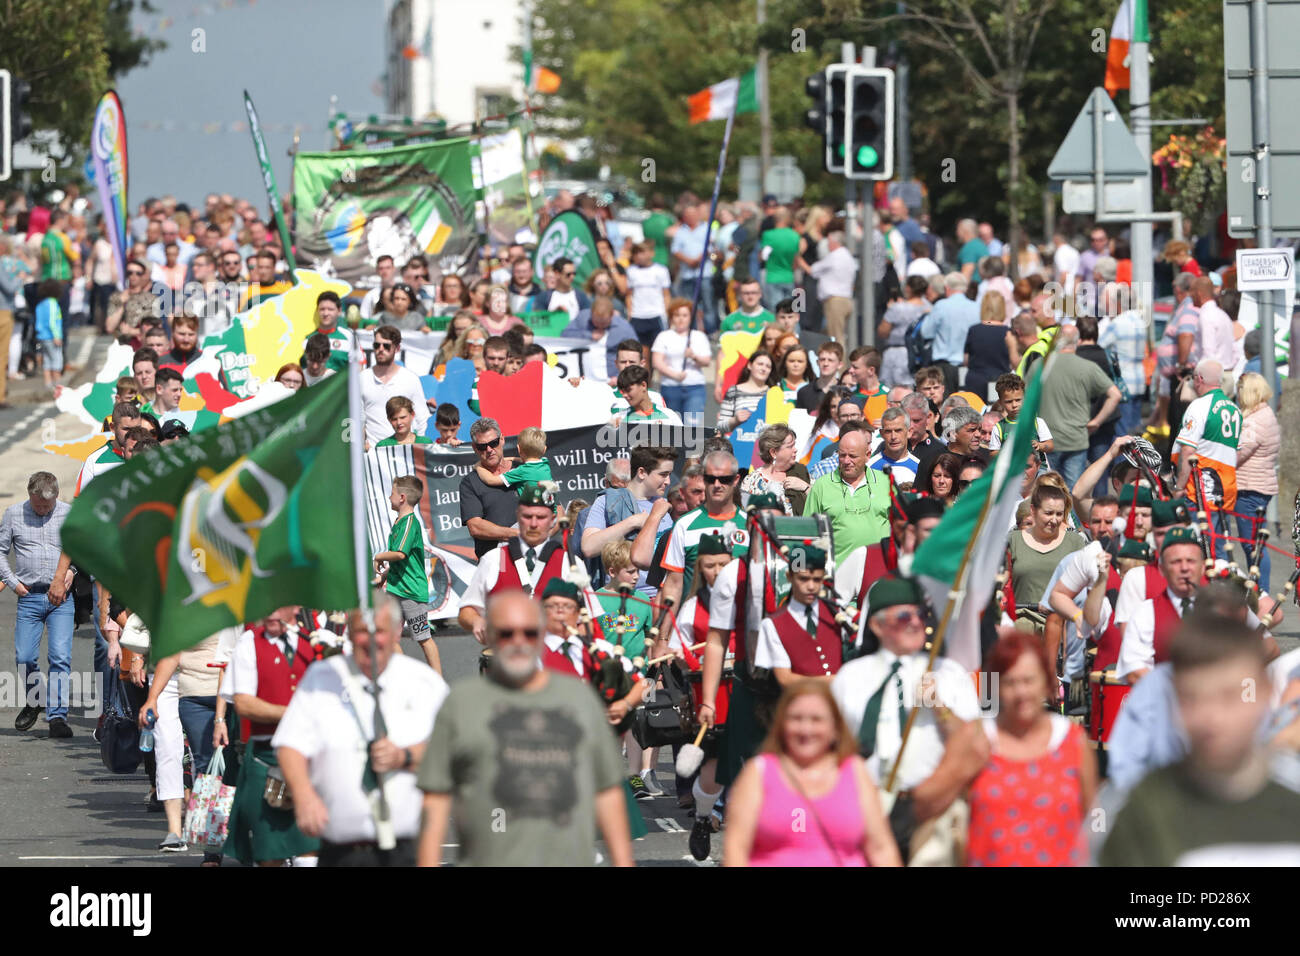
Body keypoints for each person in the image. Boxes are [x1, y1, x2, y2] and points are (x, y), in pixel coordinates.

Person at [417, 589, 634, 867]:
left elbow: (608, 792)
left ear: (541, 635)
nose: (519, 642)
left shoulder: (580, 700)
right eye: (507, 633)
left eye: (529, 633)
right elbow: (435, 798)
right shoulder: (461, 704)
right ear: (490, 637)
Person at [1100, 615, 1300, 865]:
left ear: (1266, 692)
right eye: (1192, 699)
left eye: (1229, 696)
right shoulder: (1141, 811)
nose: (1212, 719)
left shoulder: (1293, 795)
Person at [275, 594, 450, 866]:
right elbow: (290, 743)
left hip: (406, 849)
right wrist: (303, 794)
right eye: (361, 631)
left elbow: (450, 752)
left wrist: (404, 756)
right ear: (349, 632)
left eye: (378, 631)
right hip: (341, 851)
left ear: (394, 631)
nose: (370, 640)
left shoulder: (424, 683)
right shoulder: (322, 677)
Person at [831, 576, 987, 856]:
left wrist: (940, 707)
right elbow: (833, 750)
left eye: (921, 614)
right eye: (904, 616)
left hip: (931, 811)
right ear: (877, 625)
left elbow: (976, 745)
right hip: (865, 811)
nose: (916, 623)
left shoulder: (949, 673)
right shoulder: (850, 678)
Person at [723, 679, 902, 867]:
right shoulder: (758, 772)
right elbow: (736, 848)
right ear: (781, 725)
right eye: (796, 718)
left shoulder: (855, 771)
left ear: (835, 728)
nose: (806, 730)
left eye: (817, 719)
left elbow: (880, 848)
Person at [967, 630, 1097, 866]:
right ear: (995, 686)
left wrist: (1103, 849)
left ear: (1045, 682)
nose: (1021, 693)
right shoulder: (978, 739)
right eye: (1010, 682)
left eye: (1029, 680)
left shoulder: (1073, 741)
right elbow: (930, 801)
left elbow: (1096, 813)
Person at [219, 606, 322, 866]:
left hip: (312, 758)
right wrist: (292, 712)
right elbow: (244, 703)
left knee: (311, 845)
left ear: (296, 607)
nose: (270, 611)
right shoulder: (249, 642)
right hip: (266, 760)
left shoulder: (317, 642)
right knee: (270, 850)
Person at [2, 472, 76, 738]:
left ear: (56, 496)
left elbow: (81, 548)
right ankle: (35, 699)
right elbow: (1, 551)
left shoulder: (68, 514)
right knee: (24, 657)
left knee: (59, 657)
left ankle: (57, 717)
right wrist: (12, 582)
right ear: (29, 495)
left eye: (47, 506)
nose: (42, 510)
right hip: (29, 596)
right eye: (37, 505)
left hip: (61, 598)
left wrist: (72, 572)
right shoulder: (13, 514)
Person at [458, 484, 573, 641]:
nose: (533, 524)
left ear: (553, 520)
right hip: (508, 658)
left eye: (541, 517)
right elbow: (467, 611)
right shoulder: (494, 559)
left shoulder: (569, 563)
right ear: (518, 516)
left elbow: (589, 618)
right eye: (527, 516)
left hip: (554, 658)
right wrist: (477, 621)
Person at [372, 474, 441, 672]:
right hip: (395, 590)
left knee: (423, 638)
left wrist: (378, 556)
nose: (389, 497)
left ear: (402, 497)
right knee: (389, 636)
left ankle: (437, 681)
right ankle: (403, 676)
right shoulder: (398, 522)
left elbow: (400, 554)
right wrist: (383, 578)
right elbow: (400, 561)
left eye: (392, 493)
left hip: (411, 592)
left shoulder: (410, 523)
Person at [1038, 325, 1121, 489]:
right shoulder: (1088, 367)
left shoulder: (1040, 366)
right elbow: (1115, 395)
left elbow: (1025, 399)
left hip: (1046, 439)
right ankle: (1071, 516)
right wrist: (1097, 421)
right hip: (1076, 439)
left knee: (1047, 491)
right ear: (1078, 342)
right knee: (1073, 492)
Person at [1172, 358, 1240, 551]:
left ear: (1199, 379)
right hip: (1225, 490)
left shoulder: (1199, 406)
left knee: (1200, 548)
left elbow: (1187, 450)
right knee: (1220, 548)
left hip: (1200, 490)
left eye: (1193, 378)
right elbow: (1239, 452)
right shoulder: (1234, 409)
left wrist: (1179, 486)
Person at [802, 428, 892, 564]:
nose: (846, 461)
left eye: (852, 456)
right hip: (837, 573)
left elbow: (902, 528)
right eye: (842, 455)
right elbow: (807, 532)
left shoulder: (886, 482)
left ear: (868, 455)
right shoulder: (821, 486)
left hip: (879, 571)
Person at [1007, 483, 1086, 637]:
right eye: (1049, 513)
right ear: (1033, 511)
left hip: (1062, 627)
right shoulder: (1013, 540)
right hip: (1021, 628)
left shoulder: (1075, 542)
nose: (1054, 520)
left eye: (1059, 514)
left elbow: (1083, 588)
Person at [1233, 371, 1278, 589]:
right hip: (1259, 486)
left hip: (1250, 489)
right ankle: (1261, 590)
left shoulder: (1255, 422)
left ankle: (1262, 592)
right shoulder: (1265, 413)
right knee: (1256, 544)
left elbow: (1237, 454)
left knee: (1253, 546)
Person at [458, 417, 523, 558]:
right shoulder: (470, 483)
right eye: (482, 446)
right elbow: (475, 527)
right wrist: (519, 535)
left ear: (502, 440)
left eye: (493, 443)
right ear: (475, 448)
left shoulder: (525, 469)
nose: (489, 450)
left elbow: (555, 506)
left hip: (534, 553)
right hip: (497, 562)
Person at [360, 326, 429, 447]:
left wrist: (421, 448)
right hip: (373, 452)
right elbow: (357, 419)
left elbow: (422, 418)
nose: (380, 349)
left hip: (406, 451)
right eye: (377, 345)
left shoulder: (410, 378)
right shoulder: (362, 378)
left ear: (397, 348)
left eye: (386, 346)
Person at [917, 273, 979, 395]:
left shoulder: (941, 306)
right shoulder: (976, 307)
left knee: (945, 405)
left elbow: (926, 332)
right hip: (968, 365)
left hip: (944, 365)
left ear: (947, 288)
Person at [652, 297, 711, 423]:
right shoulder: (664, 336)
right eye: (677, 315)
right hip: (670, 387)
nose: (681, 319)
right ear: (671, 317)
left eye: (685, 315)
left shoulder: (699, 336)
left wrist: (694, 356)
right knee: (673, 427)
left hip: (694, 387)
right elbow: (657, 361)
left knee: (693, 427)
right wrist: (674, 375)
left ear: (690, 317)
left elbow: (706, 361)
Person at [740, 423, 810, 515]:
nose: (795, 449)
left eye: (794, 445)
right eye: (790, 446)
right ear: (773, 452)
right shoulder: (752, 481)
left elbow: (821, 502)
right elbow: (746, 516)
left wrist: (805, 487)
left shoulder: (801, 472)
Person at [878, 275, 930, 388]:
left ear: (908, 288)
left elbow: (883, 331)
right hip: (921, 354)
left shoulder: (897, 308)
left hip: (897, 352)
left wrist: (890, 308)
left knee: (892, 390)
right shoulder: (930, 308)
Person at [962, 292, 1013, 403]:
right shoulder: (1008, 332)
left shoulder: (974, 330)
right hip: (1000, 381)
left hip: (976, 380)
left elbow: (966, 360)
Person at [810, 230, 858, 342]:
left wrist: (799, 260)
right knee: (832, 334)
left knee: (836, 338)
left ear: (835, 243)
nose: (827, 245)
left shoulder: (834, 256)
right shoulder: (847, 256)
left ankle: (840, 360)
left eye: (829, 242)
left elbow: (813, 270)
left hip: (835, 301)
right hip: (845, 299)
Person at [475, 425, 554, 491]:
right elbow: (525, 461)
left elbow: (491, 480)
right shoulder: (545, 464)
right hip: (551, 509)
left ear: (519, 449)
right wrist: (509, 459)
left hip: (533, 509)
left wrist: (478, 466)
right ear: (544, 450)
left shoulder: (522, 471)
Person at [717, 349, 775, 434]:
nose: (763, 369)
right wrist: (735, 420)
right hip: (737, 444)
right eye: (760, 364)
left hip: (763, 445)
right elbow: (720, 427)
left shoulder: (773, 394)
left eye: (768, 366)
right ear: (750, 365)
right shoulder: (733, 391)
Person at [867, 407, 921, 484]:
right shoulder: (869, 467)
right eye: (888, 431)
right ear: (882, 434)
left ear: (909, 432)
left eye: (898, 430)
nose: (893, 437)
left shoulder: (919, 467)